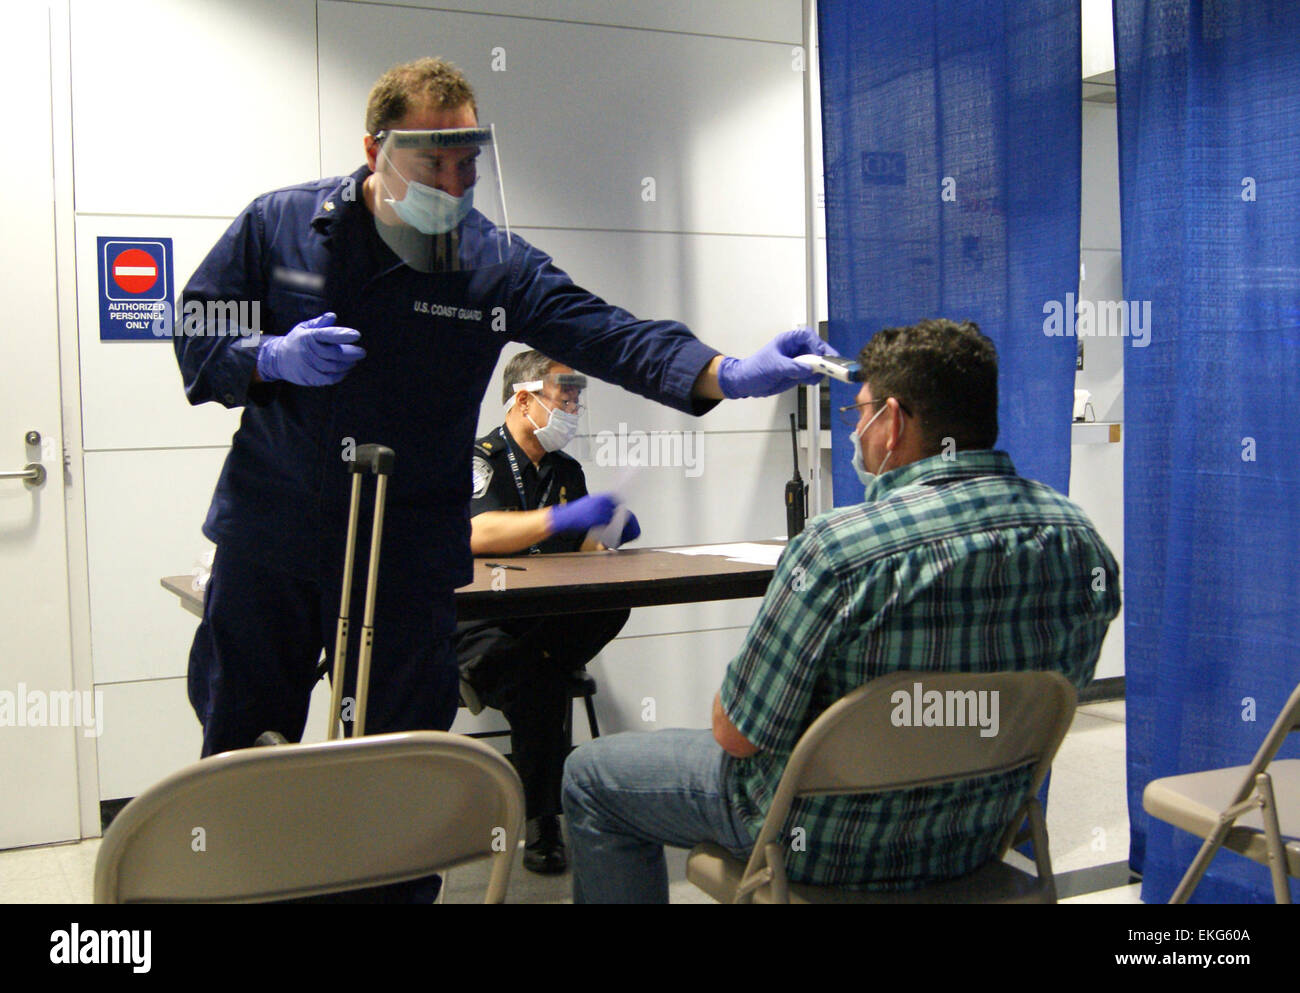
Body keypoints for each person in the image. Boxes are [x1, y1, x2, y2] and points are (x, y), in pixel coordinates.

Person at [174, 55, 833, 765]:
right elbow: (200, 327)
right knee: (241, 746)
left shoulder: (492, 262)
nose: (455, 188)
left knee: (399, 762)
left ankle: (387, 882)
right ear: (375, 152)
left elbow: (607, 334)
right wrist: (268, 355)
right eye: (434, 168)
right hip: (277, 532)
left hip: (409, 548)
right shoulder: (282, 226)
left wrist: (726, 372)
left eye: (468, 167)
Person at [561, 318, 1123, 902]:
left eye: (859, 414)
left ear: (893, 420)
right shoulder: (1080, 540)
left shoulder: (840, 549)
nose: (857, 430)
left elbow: (735, 736)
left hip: (823, 843)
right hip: (973, 834)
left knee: (591, 774)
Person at [455, 350, 637, 874]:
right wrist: (561, 517)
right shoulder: (478, 457)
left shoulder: (565, 470)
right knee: (540, 680)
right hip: (482, 620)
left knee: (612, 601)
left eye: (579, 396)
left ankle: (521, 665)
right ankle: (543, 823)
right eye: (566, 394)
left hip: (541, 619)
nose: (575, 406)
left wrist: (605, 536)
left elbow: (577, 560)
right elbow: (477, 533)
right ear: (525, 398)